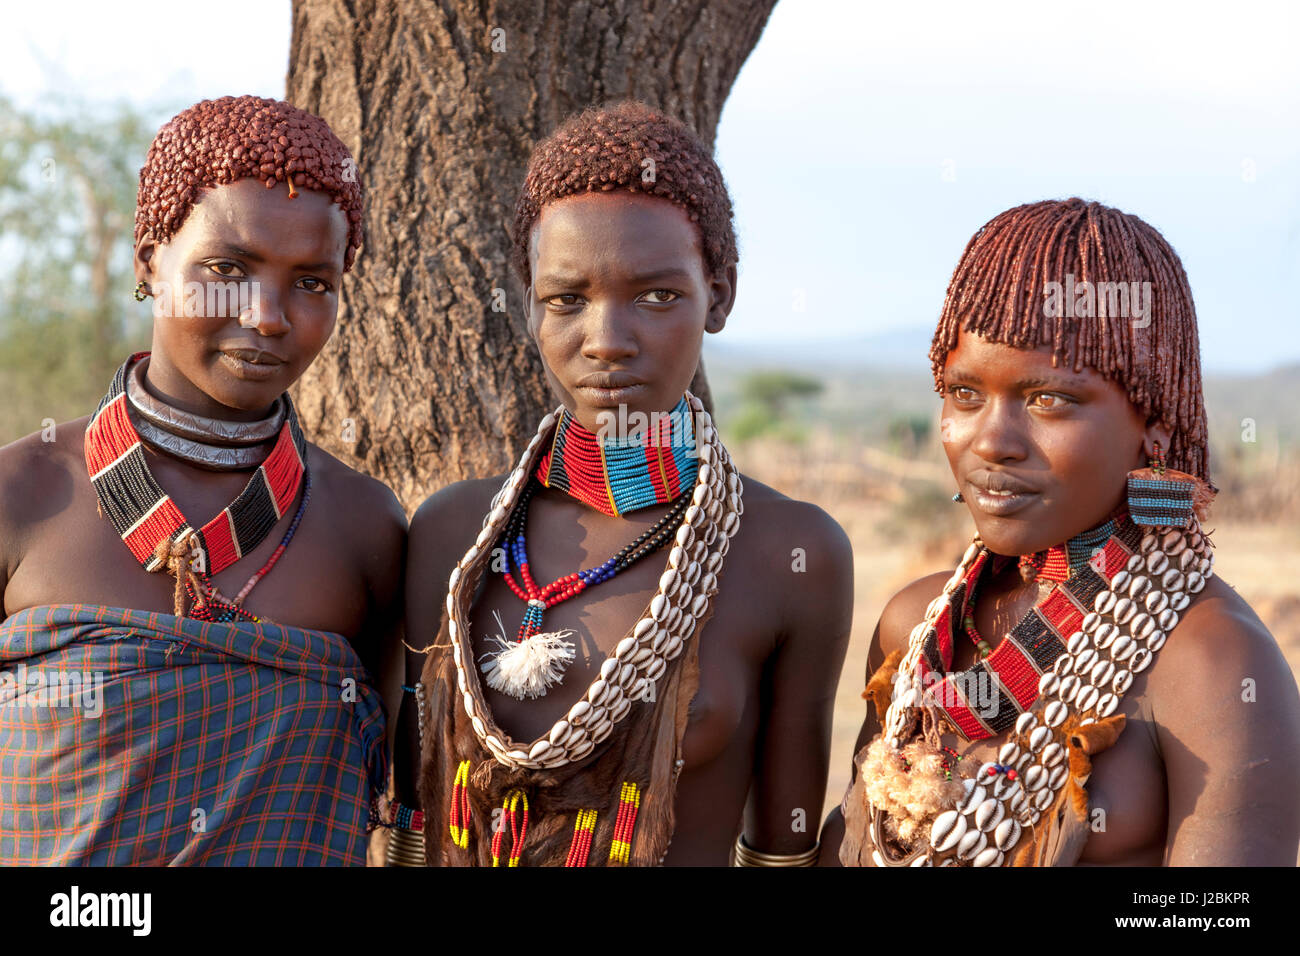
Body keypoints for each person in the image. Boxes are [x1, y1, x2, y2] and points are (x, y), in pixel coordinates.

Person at [391, 101, 853, 867]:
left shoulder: (791, 554)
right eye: (567, 299)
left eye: (657, 297)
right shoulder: (452, 535)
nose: (606, 340)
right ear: (530, 300)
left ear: (721, 294)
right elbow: (414, 827)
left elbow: (784, 854)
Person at [823, 198, 1300, 866]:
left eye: (1050, 400)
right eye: (964, 394)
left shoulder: (1211, 662)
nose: (992, 441)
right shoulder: (918, 628)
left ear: (1153, 429)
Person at [0, 95, 405, 865]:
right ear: (149, 262)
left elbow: (396, 791)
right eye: (227, 270)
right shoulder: (21, 498)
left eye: (313, 282)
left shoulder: (363, 529)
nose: (269, 317)